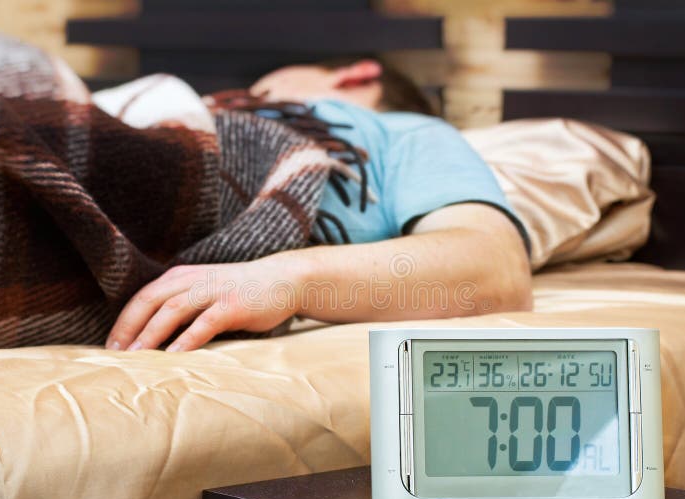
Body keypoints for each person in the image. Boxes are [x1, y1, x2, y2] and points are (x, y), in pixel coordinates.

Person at [105, 60, 533, 352]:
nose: (251, 92)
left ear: (356, 76)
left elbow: (496, 268)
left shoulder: (404, 131)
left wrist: (284, 279)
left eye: (263, 89)